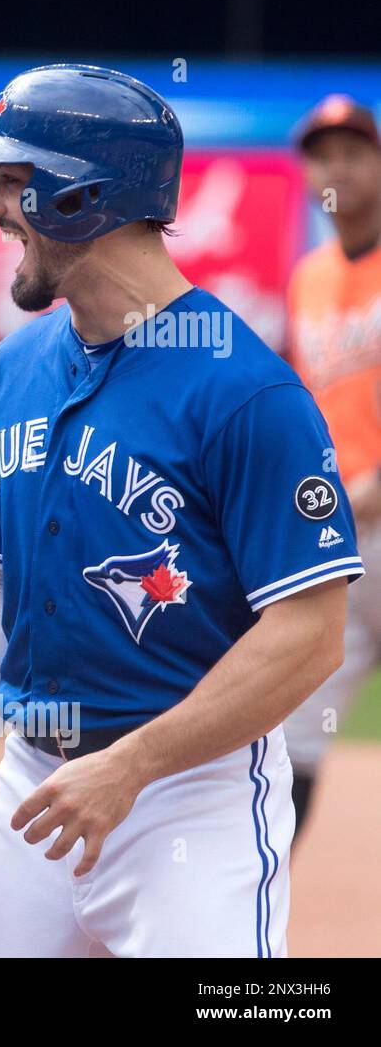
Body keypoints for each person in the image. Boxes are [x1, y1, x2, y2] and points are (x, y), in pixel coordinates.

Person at [0, 65, 361, 957]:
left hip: (190, 796)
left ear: (82, 195)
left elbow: (311, 635)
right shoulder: (12, 371)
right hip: (35, 791)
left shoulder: (243, 390)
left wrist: (133, 766)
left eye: (10, 181)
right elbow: (1, 589)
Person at [282, 94, 381, 841]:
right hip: (339, 542)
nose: (336, 167)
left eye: (352, 151)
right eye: (323, 154)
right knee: (290, 742)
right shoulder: (308, 276)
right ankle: (253, 922)